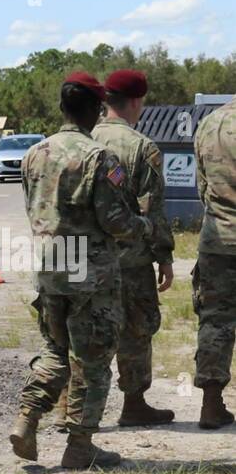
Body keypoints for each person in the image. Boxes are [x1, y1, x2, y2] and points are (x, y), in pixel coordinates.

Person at [9, 72, 152, 468]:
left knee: (55, 352)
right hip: (91, 275)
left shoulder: (34, 153)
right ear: (94, 108)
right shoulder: (98, 158)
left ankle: (27, 418)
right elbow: (116, 221)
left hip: (50, 268)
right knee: (93, 361)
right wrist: (145, 226)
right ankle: (80, 446)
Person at [90, 70, 175, 427]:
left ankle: (72, 408)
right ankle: (134, 402)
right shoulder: (142, 146)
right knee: (137, 329)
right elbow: (151, 207)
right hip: (131, 259)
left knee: (87, 330)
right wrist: (165, 256)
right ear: (137, 102)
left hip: (86, 259)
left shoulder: (83, 138)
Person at [192, 90, 236, 428]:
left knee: (215, 321)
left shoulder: (209, 123)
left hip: (217, 238)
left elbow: (202, 187)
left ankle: (211, 403)